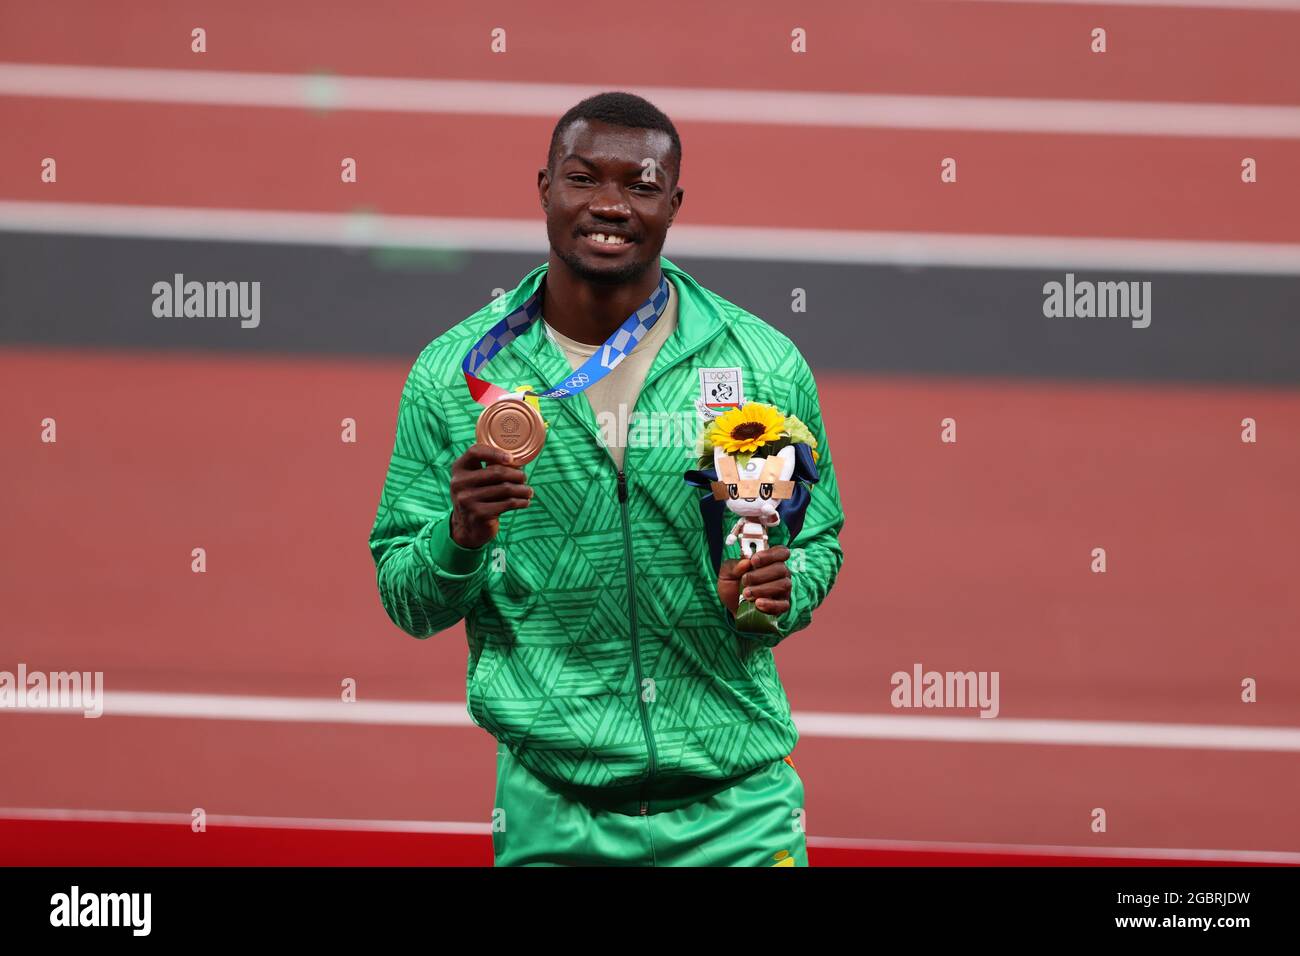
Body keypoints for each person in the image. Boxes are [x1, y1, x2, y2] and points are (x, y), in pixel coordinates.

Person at [369, 91, 845, 866]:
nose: (611, 205)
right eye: (584, 178)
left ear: (674, 204)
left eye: (641, 185)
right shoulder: (456, 376)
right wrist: (461, 538)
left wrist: (779, 595)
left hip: (739, 813)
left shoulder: (761, 363)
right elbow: (409, 602)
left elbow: (816, 541)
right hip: (553, 820)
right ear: (544, 189)